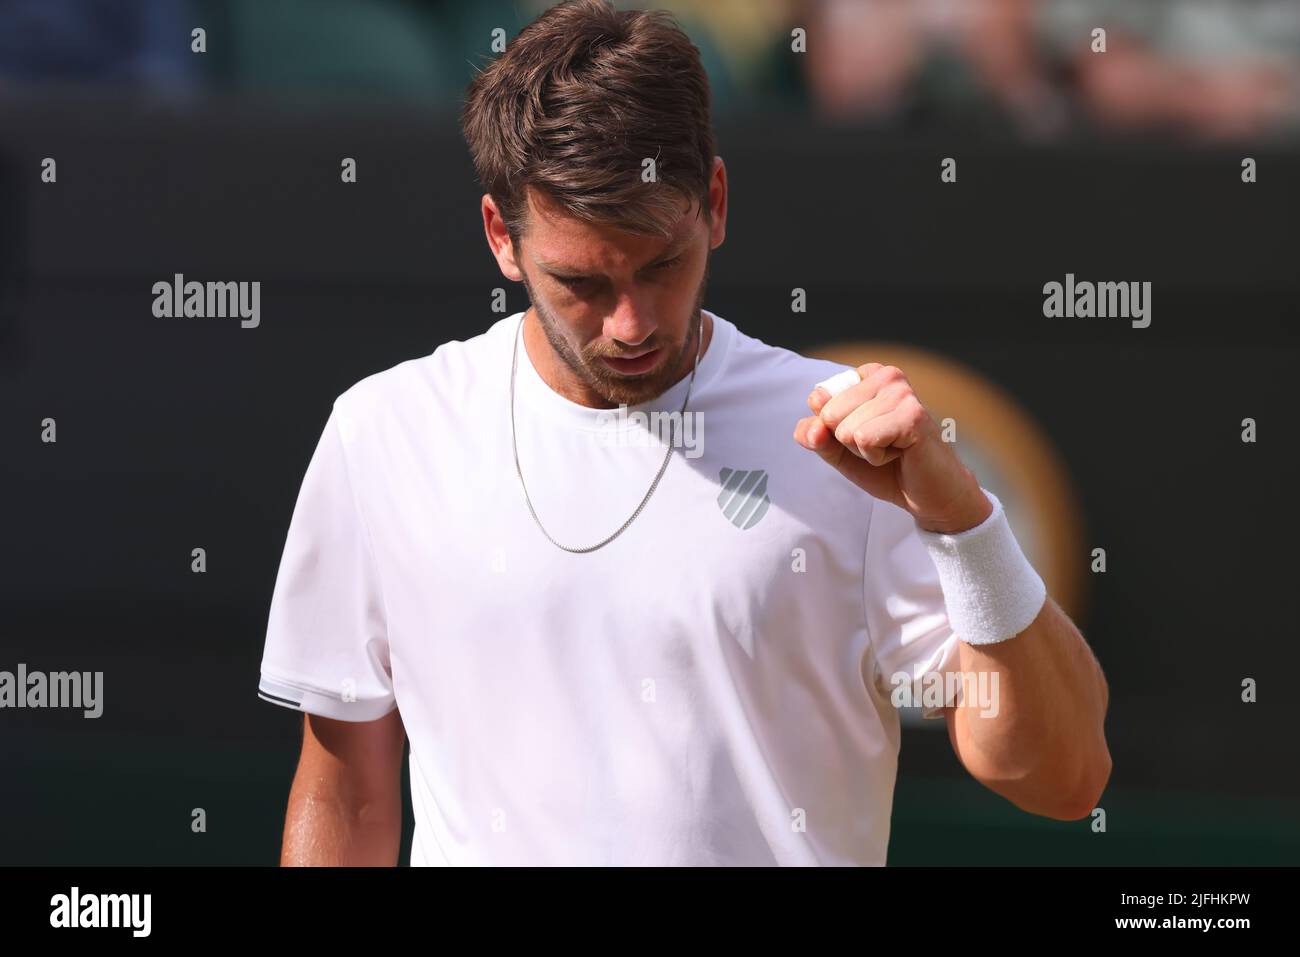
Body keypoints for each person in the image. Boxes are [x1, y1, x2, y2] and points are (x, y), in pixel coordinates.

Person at [257, 0, 1110, 866]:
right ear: (500, 239)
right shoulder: (386, 432)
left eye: (661, 265)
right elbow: (348, 790)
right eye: (582, 282)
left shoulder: (845, 445)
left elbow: (1063, 777)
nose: (630, 323)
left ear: (715, 202)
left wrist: (963, 521)